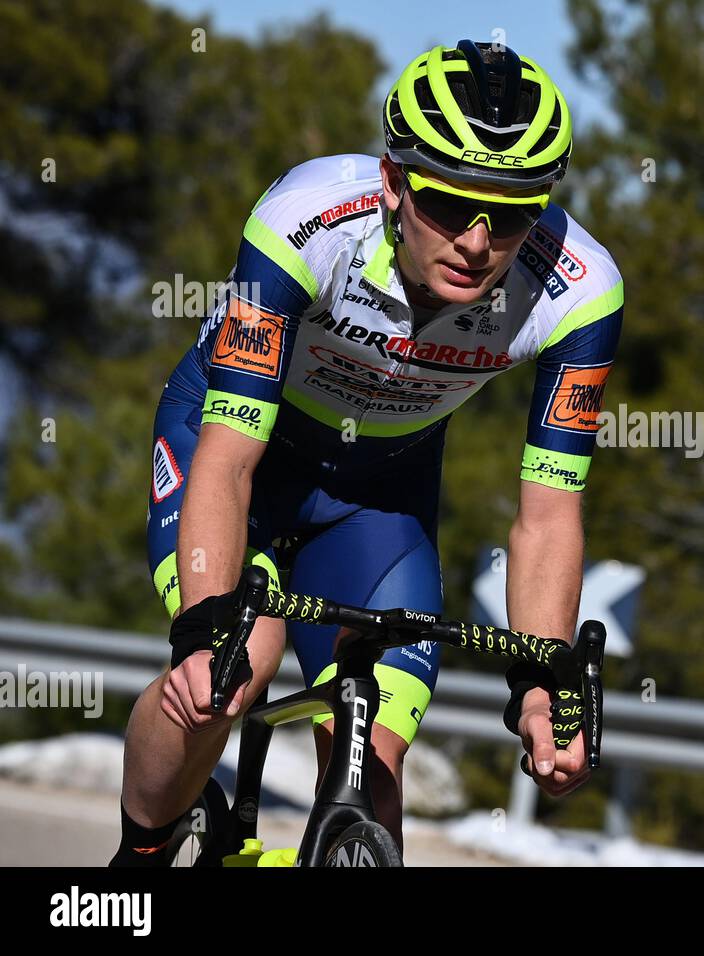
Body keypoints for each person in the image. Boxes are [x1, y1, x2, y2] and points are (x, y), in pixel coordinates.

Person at [110, 39, 623, 865]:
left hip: (377, 499)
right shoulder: (304, 221)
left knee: (374, 756)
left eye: (514, 212)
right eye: (452, 206)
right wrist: (204, 627)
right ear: (393, 184)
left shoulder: (580, 292)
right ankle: (135, 865)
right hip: (240, 449)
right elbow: (230, 458)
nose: (478, 241)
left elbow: (549, 513)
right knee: (228, 677)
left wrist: (540, 682)